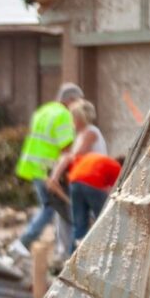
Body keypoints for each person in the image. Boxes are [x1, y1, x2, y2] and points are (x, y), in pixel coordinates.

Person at [14, 82, 84, 250]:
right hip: (50, 170)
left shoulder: (44, 110)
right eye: (78, 102)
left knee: (53, 208)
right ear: (70, 100)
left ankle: (63, 247)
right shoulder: (63, 115)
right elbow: (66, 146)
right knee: (52, 208)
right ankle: (24, 242)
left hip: (35, 167)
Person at [47, 99, 106, 255]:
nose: (71, 122)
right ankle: (74, 262)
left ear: (80, 118)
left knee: (99, 222)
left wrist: (55, 176)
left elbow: (73, 156)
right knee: (81, 225)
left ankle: (88, 258)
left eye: (73, 118)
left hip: (93, 183)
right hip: (82, 183)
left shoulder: (90, 132)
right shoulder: (81, 135)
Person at [66, 152, 123, 252]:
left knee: (79, 223)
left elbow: (72, 164)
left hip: (74, 181)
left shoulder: (95, 157)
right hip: (92, 181)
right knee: (104, 219)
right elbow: (116, 191)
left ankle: (73, 255)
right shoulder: (118, 167)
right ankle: (106, 251)